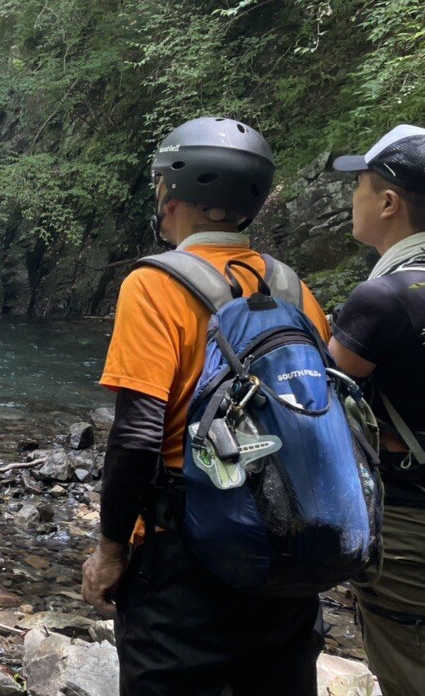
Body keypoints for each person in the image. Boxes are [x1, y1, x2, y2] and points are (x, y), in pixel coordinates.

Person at [81, 116, 332, 695]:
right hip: (286, 554)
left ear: (169, 192)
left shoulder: (152, 285)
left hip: (186, 560)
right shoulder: (291, 288)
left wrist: (111, 550)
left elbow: (140, 435)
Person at [328, 124, 425, 696]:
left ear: (388, 202)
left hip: (412, 527)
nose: (353, 200)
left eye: (359, 187)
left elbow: (315, 405)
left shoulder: (383, 300)